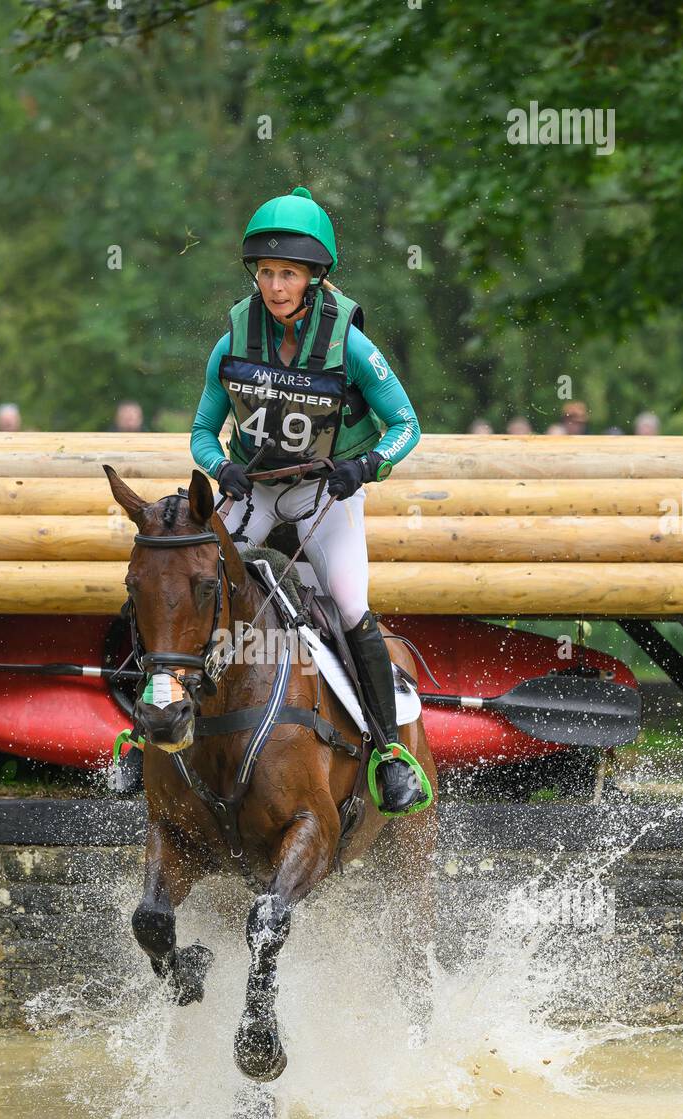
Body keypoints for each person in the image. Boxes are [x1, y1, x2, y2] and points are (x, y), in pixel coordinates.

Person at [190, 185, 426, 813]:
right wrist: (222, 469)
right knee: (191, 579)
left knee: (350, 606)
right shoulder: (233, 339)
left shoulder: (350, 343)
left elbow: (407, 424)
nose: (274, 285)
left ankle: (387, 752)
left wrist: (369, 464)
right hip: (259, 490)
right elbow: (200, 433)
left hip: (326, 492)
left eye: (287, 273)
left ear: (316, 277)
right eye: (265, 272)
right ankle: (151, 729)